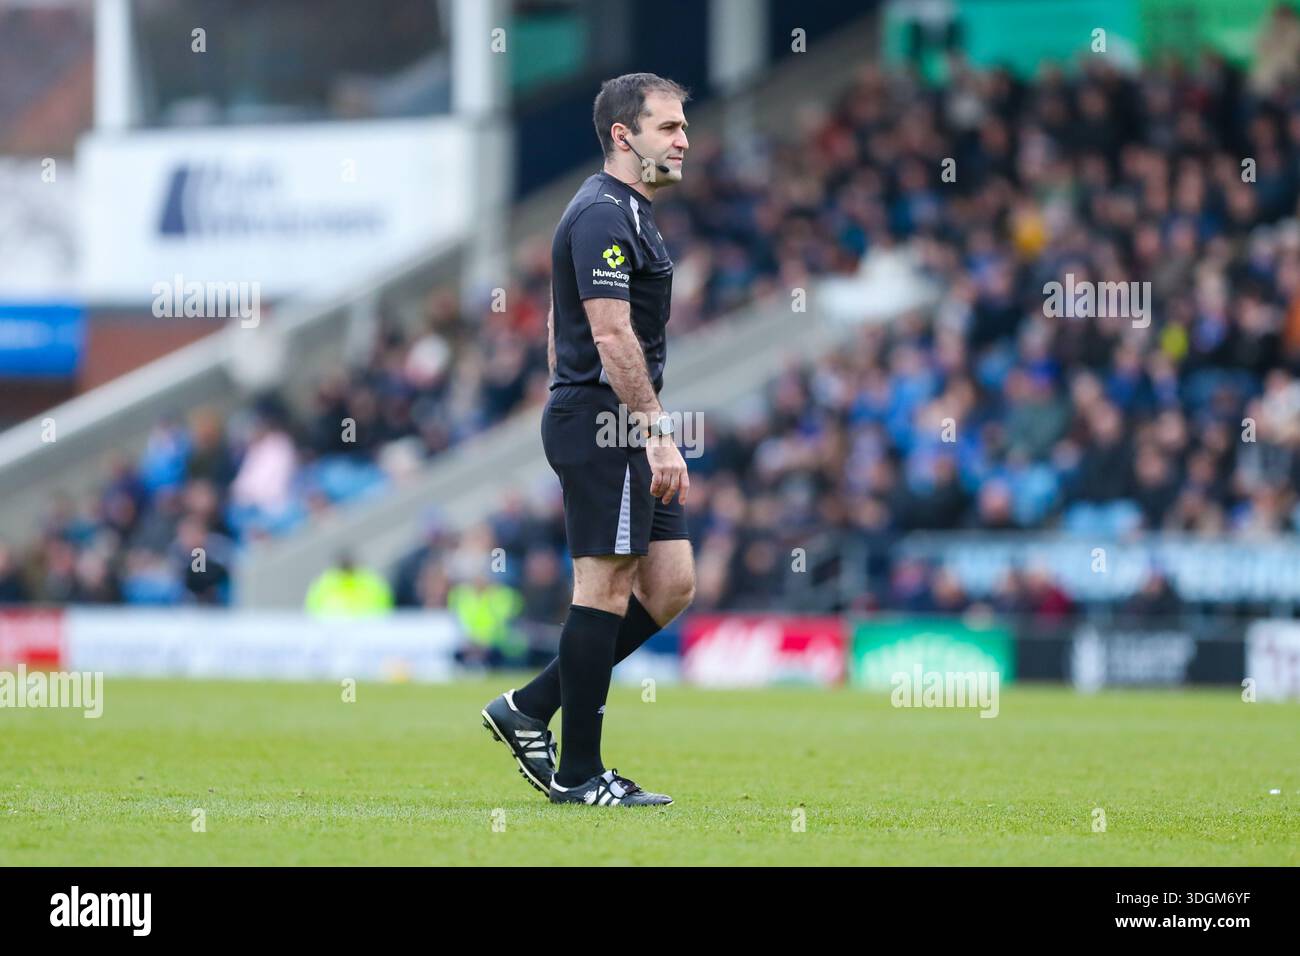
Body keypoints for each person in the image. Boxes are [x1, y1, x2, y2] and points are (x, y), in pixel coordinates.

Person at [481, 73, 696, 807]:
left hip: (614, 418)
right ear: (622, 136)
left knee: (670, 585)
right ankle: (579, 774)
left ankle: (529, 707)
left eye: (682, 126)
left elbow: (559, 319)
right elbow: (608, 333)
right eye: (668, 127)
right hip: (609, 423)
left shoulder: (625, 212)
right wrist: (656, 433)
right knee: (603, 586)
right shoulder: (603, 214)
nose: (683, 140)